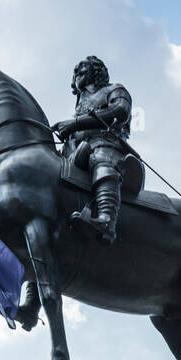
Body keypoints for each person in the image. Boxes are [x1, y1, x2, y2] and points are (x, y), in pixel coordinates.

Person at [53, 56, 133, 245]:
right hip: (75, 152)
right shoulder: (81, 103)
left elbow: (120, 112)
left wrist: (76, 124)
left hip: (106, 145)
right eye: (75, 72)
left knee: (100, 156)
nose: (76, 74)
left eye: (82, 69)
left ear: (96, 71)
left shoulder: (114, 89)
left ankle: (106, 220)